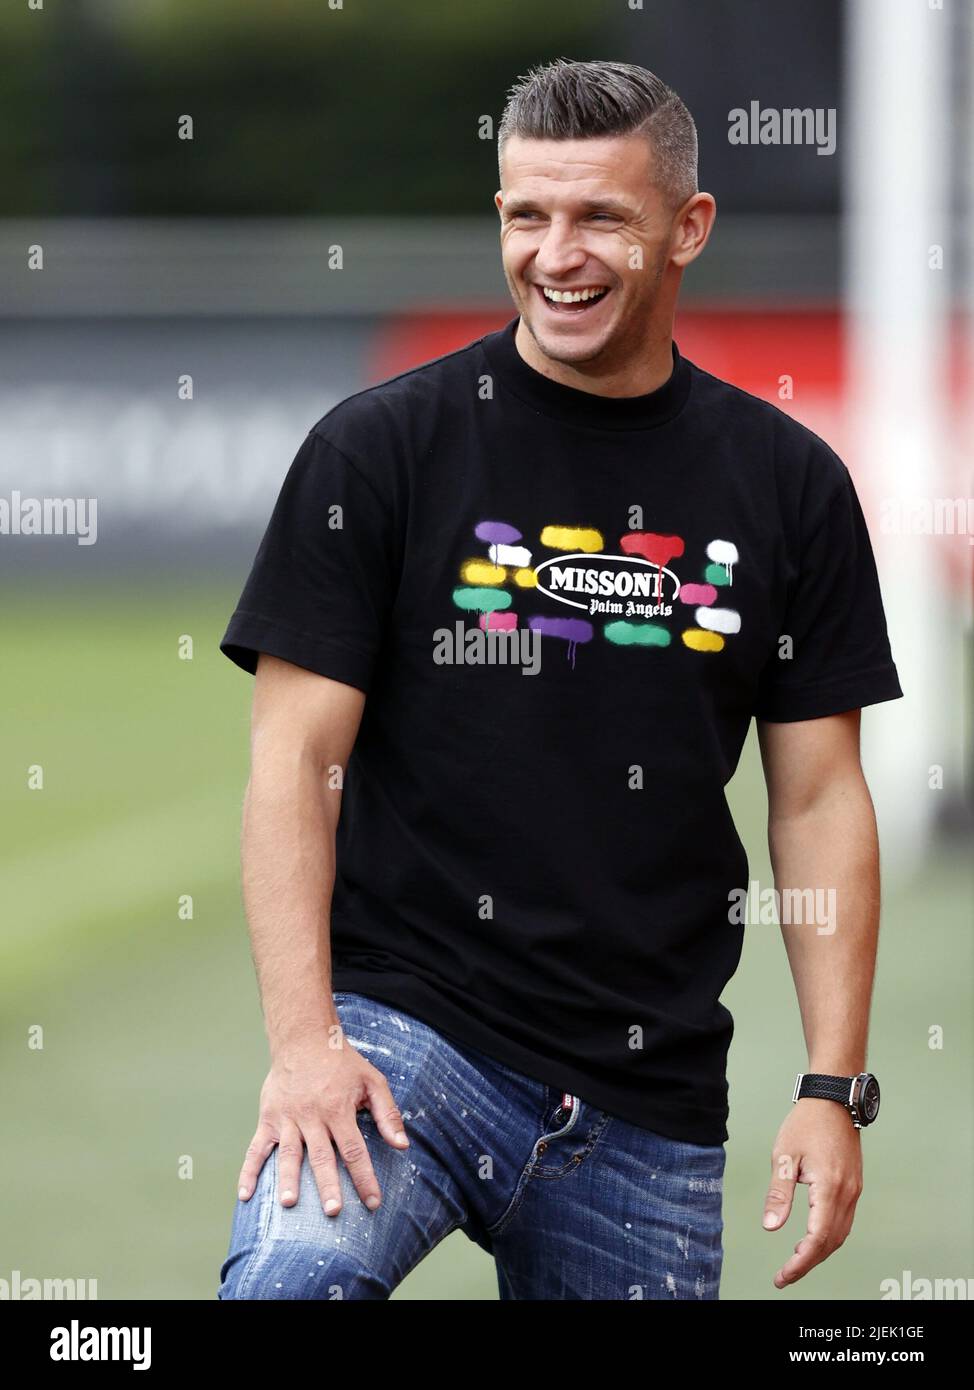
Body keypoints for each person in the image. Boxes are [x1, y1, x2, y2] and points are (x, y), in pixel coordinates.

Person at [215, 58, 902, 1300]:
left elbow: (814, 799)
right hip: (405, 1037)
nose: (556, 253)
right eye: (527, 215)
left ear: (686, 228)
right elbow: (292, 766)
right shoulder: (379, 450)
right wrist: (305, 1043)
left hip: (650, 1090)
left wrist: (829, 1084)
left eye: (598, 216)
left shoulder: (788, 482)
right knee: (286, 1288)